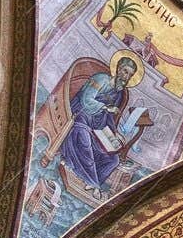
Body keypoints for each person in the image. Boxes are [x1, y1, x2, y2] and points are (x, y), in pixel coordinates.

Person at [59, 56, 139, 196]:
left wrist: (114, 134)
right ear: (118, 69)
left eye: (130, 75)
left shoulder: (119, 93)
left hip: (97, 126)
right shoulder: (100, 79)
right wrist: (106, 108)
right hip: (79, 116)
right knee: (84, 139)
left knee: (113, 160)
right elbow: (86, 100)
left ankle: (90, 181)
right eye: (125, 72)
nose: (126, 77)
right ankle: (93, 183)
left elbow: (108, 119)